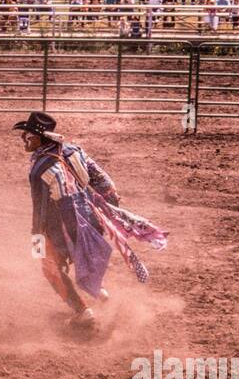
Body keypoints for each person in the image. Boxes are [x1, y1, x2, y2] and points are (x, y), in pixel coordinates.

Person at [15, 112, 167, 331]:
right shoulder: (74, 150)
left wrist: (36, 234)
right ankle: (102, 294)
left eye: (27, 135)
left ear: (41, 138)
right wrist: (109, 208)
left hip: (62, 223)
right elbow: (103, 181)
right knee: (83, 253)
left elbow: (39, 206)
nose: (23, 139)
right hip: (91, 217)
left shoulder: (39, 168)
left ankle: (83, 312)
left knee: (49, 266)